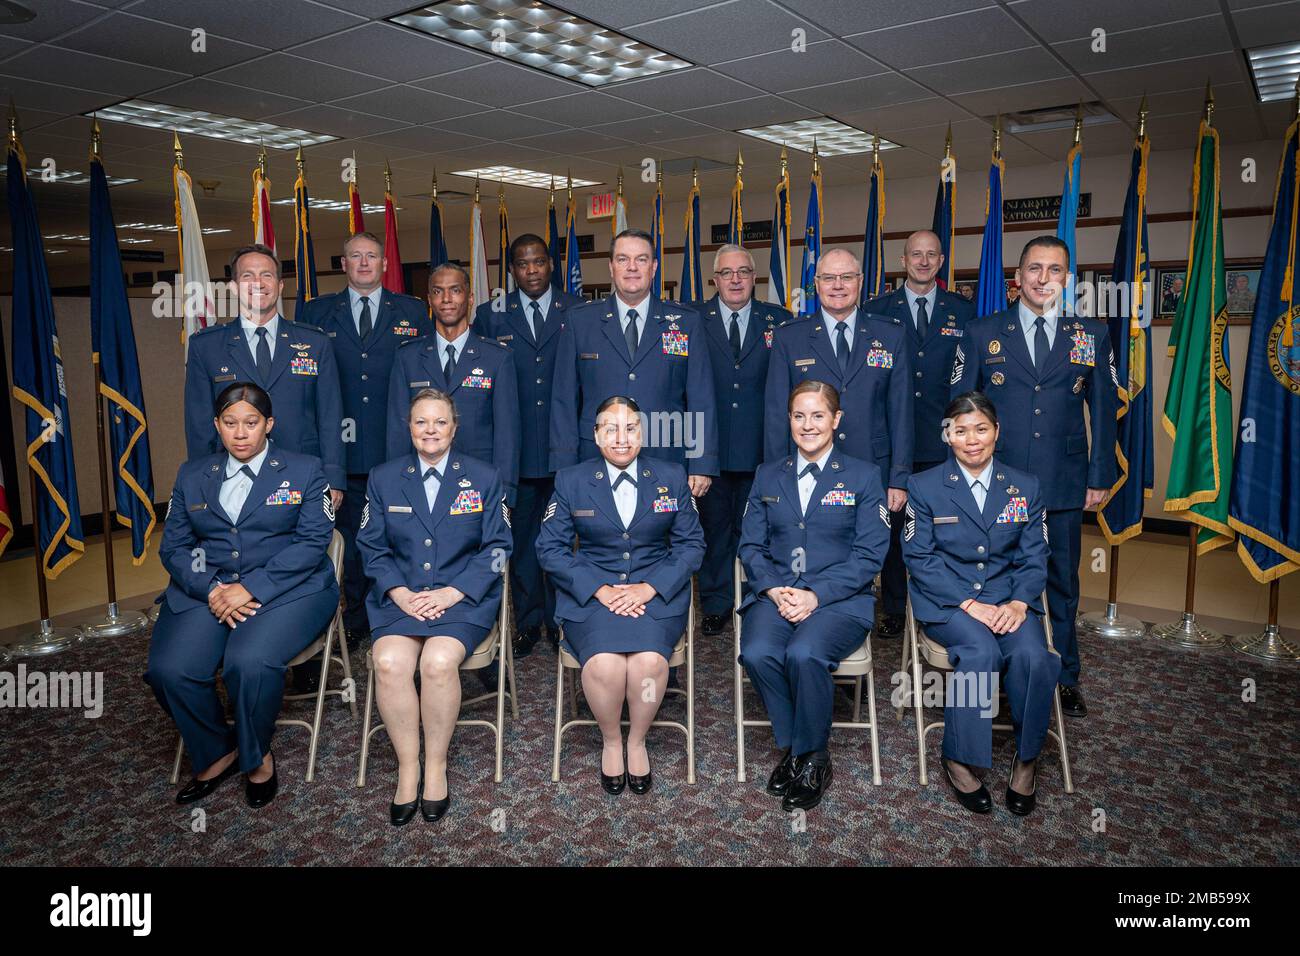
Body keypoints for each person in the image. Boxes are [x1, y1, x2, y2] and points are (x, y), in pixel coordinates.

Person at [146, 382, 338, 809]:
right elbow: (173, 548)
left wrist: (251, 587)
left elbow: (311, 544)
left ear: (268, 424)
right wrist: (213, 587)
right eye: (230, 423)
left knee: (248, 661)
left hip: (288, 589)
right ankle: (218, 750)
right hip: (208, 589)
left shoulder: (304, 470)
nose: (240, 433)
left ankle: (256, 756)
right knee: (169, 669)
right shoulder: (192, 475)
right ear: (217, 426)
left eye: (251, 423)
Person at [951, 235, 1118, 717]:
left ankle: (1064, 673)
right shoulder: (983, 331)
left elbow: (1104, 411)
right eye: (1035, 269)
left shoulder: (1090, 333)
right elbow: (962, 407)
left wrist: (1100, 473)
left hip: (1063, 481)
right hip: (994, 482)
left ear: (1067, 278)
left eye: (1055, 270)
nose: (1044, 279)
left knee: (1061, 579)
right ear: (1017, 277)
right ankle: (1000, 667)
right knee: (991, 574)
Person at [357, 389, 511, 826]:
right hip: (401, 599)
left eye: (440, 422)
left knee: (439, 662)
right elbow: (370, 547)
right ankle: (409, 767)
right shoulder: (384, 478)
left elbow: (499, 548)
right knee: (388, 663)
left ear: (454, 428)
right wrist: (400, 593)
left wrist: (454, 592)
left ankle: (437, 766)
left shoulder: (483, 477)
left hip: (461, 601)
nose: (430, 430)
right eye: (421, 422)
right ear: (409, 427)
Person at [536, 396, 705, 795]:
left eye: (630, 427)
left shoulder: (672, 477)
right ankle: (612, 740)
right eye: (610, 428)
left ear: (642, 433)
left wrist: (650, 588)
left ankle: (637, 740)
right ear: (595, 435)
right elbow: (550, 549)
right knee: (606, 667)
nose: (621, 437)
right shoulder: (571, 480)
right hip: (592, 596)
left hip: (656, 595)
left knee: (647, 664)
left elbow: (691, 546)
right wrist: (600, 589)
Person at [903, 392, 1060, 816]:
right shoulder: (924, 486)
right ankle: (958, 756)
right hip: (950, 603)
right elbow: (918, 557)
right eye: (960, 430)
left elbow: (1035, 556)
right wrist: (968, 603)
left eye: (981, 429)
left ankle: (1026, 759)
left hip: (1009, 601)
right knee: (980, 652)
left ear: (997, 432)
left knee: (1033, 656)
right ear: (947, 436)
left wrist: (1020, 603)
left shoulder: (1024, 487)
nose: (972, 440)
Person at [738, 381, 889, 812]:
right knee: (758, 651)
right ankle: (799, 748)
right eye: (799, 416)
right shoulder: (768, 474)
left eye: (818, 415)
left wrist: (816, 596)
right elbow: (750, 545)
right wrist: (770, 587)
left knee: (804, 654)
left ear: (836, 420)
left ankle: (814, 757)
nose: (808, 425)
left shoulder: (863, 476)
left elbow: (869, 554)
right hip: (778, 593)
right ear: (789, 421)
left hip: (840, 600)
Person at [300, 231, 432, 647]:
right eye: (354, 256)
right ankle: (355, 618)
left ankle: (399, 611)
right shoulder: (317, 312)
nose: (363, 263)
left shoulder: (412, 311)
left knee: (401, 537)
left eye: (371, 256)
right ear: (343, 264)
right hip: (339, 453)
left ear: (384, 263)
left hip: (398, 450)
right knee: (352, 544)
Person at [477, 233, 583, 658]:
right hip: (514, 452)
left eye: (539, 262)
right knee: (519, 543)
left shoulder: (577, 311)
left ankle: (562, 621)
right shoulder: (491, 315)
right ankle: (529, 620)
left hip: (564, 448)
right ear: (512, 270)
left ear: (551, 265)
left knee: (562, 541)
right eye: (523, 264)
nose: (532, 270)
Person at [865, 230, 975, 639]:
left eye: (932, 255)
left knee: (942, 530)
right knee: (893, 530)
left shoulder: (963, 312)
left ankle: (937, 607)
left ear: (942, 260)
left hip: (943, 440)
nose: (924, 261)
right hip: (891, 442)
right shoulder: (877, 310)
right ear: (903, 259)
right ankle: (893, 606)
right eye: (916, 254)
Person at [549, 228, 719, 492]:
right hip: (594, 457)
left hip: (665, 455)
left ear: (653, 267)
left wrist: (701, 463)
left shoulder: (686, 322)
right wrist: (564, 463)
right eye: (622, 259)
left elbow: (701, 396)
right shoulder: (580, 320)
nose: (632, 267)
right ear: (611, 267)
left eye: (641, 259)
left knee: (665, 534)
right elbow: (563, 398)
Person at [696, 243, 792, 637]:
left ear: (755, 278)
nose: (735, 279)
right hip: (710, 452)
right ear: (714, 280)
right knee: (714, 532)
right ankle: (716, 603)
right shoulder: (692, 320)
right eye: (726, 273)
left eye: (743, 272)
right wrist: (695, 453)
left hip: (762, 451)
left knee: (760, 534)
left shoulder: (781, 321)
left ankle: (758, 601)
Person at [386, 263, 518, 506]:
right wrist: (396, 484)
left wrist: (505, 491)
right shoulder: (407, 357)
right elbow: (398, 428)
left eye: (455, 290)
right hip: (421, 486)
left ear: (470, 298)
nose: (446, 299)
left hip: (480, 486)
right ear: (429, 299)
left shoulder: (497, 357)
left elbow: (506, 432)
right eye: (438, 291)